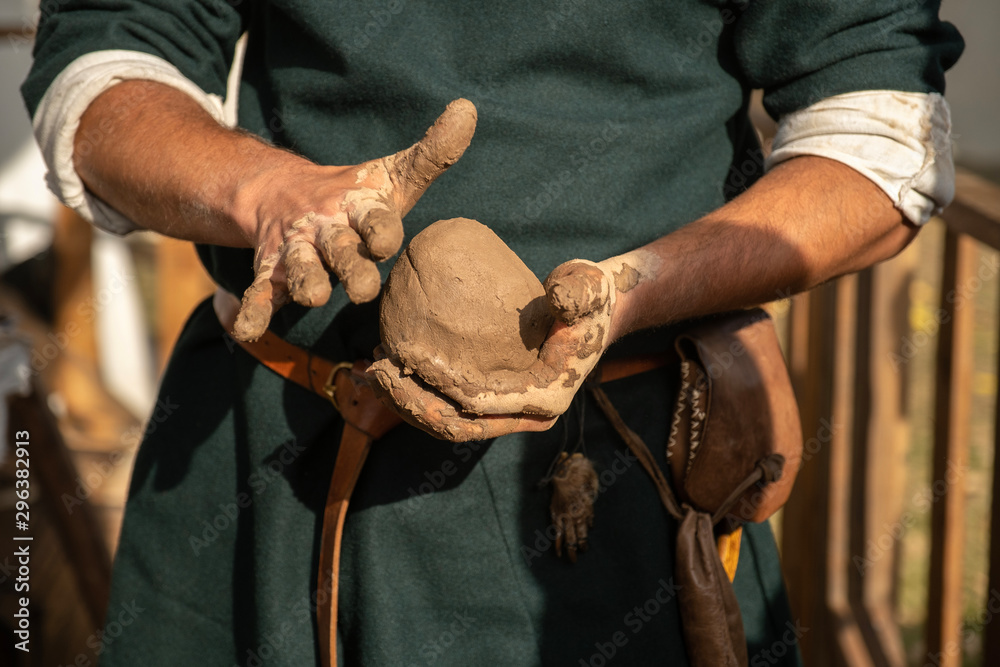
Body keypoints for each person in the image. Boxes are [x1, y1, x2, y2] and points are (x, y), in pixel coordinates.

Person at [22, 1, 962, 665]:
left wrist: (632, 289)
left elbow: (880, 137)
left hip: (611, 492)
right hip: (265, 460)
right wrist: (264, 192)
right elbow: (105, 60)